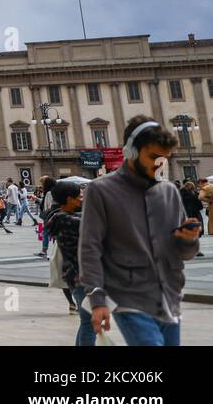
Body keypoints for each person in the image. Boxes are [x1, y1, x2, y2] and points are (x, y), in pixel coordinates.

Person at [80, 117, 201, 346]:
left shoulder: (169, 192)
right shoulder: (101, 190)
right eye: (154, 157)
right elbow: (89, 248)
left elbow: (184, 252)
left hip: (169, 297)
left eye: (164, 158)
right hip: (129, 298)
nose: (159, 164)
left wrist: (188, 241)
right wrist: (97, 300)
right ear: (131, 152)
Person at [44, 179, 93, 345]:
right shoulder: (67, 221)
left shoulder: (58, 216)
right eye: (78, 196)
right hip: (82, 276)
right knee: (90, 322)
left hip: (75, 275)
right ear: (68, 199)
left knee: (88, 321)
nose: (81, 199)